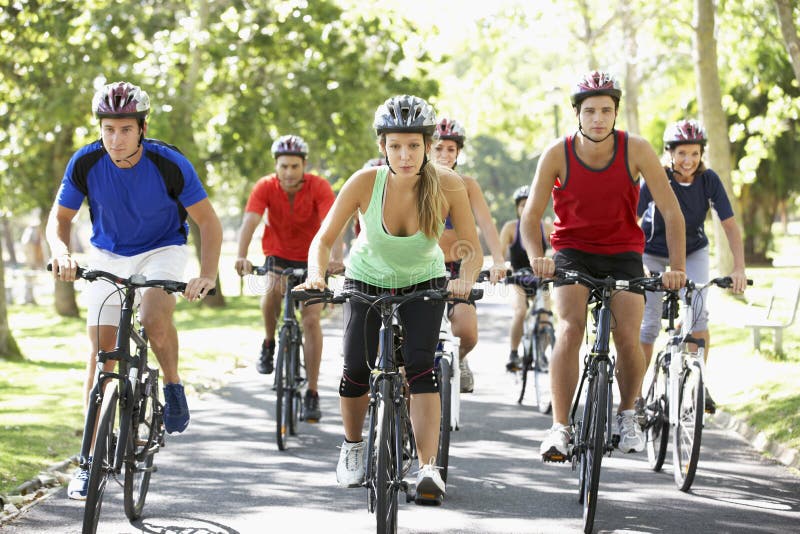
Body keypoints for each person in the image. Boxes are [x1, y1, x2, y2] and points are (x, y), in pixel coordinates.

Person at [295, 95, 481, 501]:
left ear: (428, 145)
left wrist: (465, 280)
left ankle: (428, 468)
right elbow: (323, 240)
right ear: (382, 146)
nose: (405, 155)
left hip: (423, 282)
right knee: (355, 370)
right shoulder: (365, 182)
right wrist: (315, 275)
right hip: (366, 280)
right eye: (395, 146)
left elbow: (471, 247)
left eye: (414, 145)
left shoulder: (448, 183)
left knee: (420, 367)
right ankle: (353, 446)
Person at [46, 81, 223, 499]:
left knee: (153, 318)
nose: (116, 139)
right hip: (108, 254)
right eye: (108, 129)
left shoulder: (169, 162)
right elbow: (59, 219)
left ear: (142, 128)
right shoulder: (86, 161)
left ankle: (173, 385)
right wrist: (62, 253)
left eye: (125, 129)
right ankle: (88, 460)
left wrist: (207, 275)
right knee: (101, 358)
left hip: (163, 248)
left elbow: (209, 222)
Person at [520, 71, 687, 462]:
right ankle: (560, 427)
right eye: (590, 110)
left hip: (623, 252)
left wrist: (677, 267)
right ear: (577, 114)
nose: (598, 118)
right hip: (572, 251)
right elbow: (531, 216)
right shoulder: (557, 153)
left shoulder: (636, 149)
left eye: (606, 110)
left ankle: (627, 414)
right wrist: (537, 257)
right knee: (570, 326)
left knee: (628, 334)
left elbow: (671, 212)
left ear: (616, 112)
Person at [638, 119, 747, 413]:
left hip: (692, 252)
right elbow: (631, 221)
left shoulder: (708, 180)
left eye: (695, 153)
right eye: (682, 153)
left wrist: (739, 267)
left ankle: (698, 383)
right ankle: (635, 394)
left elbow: (729, 225)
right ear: (670, 153)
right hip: (653, 253)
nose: (689, 160)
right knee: (649, 324)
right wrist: (636, 262)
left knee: (698, 316)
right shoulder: (656, 178)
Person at [234, 134, 343, 422]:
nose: (289, 172)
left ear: (304, 165)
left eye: (295, 166)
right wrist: (241, 255)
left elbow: (333, 224)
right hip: (278, 255)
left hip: (313, 258)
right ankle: (269, 343)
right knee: (271, 291)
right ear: (276, 166)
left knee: (311, 320)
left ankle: (312, 392)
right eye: (284, 166)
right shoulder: (264, 187)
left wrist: (335, 258)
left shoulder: (319, 186)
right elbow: (250, 221)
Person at [432, 117, 506, 392]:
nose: (445, 154)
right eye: (439, 148)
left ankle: (459, 359)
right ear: (428, 149)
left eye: (451, 149)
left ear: (459, 153)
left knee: (467, 332)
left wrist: (498, 260)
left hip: (456, 268)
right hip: (420, 266)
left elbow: (486, 224)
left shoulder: (467, 184)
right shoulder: (415, 182)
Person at [499, 185, 550, 371]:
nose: (527, 207)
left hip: (540, 279)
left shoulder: (547, 228)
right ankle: (514, 354)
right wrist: (501, 268)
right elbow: (499, 254)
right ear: (517, 208)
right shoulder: (510, 228)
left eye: (531, 203)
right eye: (522, 204)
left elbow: (561, 249)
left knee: (546, 316)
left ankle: (541, 354)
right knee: (520, 311)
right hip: (518, 279)